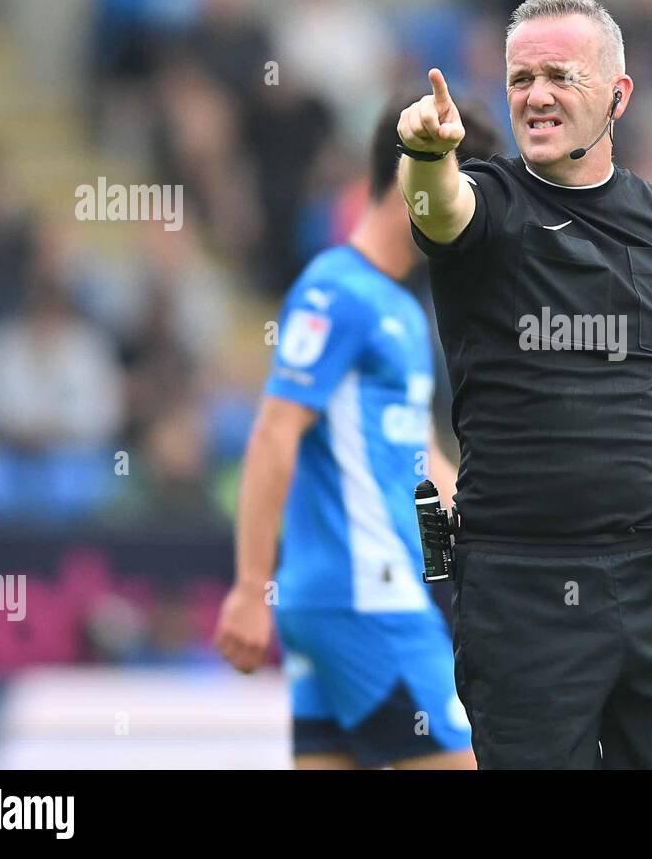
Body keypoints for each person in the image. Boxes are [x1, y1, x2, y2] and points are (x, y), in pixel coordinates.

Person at [396, 0, 652, 769]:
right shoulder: (490, 203)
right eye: (520, 78)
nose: (535, 95)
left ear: (618, 95)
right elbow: (438, 208)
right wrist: (428, 156)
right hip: (521, 591)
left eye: (560, 75)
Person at [214, 95, 502, 769]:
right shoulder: (338, 290)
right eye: (461, 193)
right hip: (367, 598)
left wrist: (487, 546)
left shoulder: (400, 309)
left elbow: (420, 467)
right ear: (416, 178)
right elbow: (274, 434)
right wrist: (251, 587)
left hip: (350, 599)